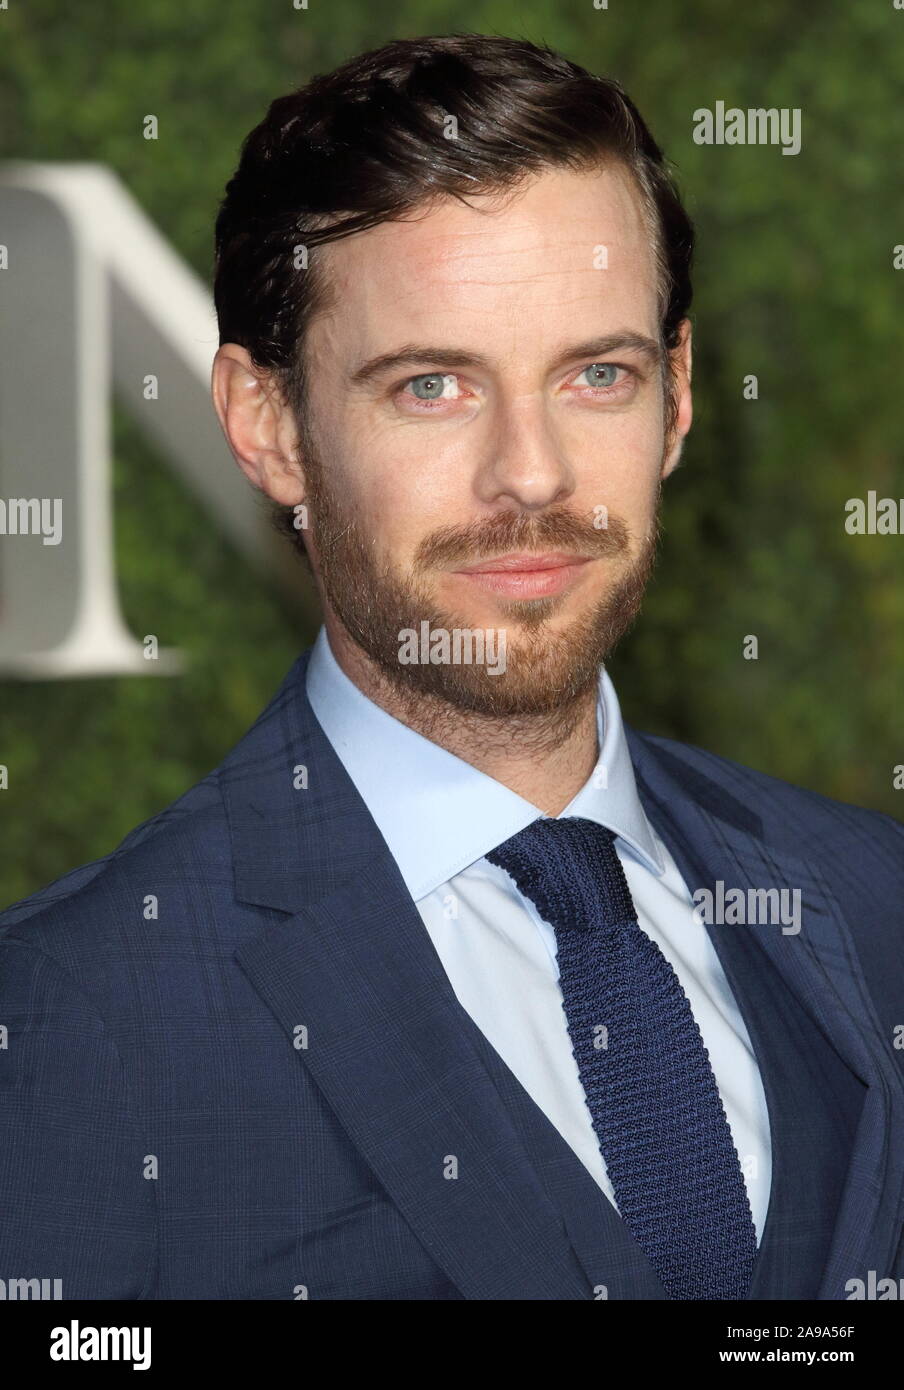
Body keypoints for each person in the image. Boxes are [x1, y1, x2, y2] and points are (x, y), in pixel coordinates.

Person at [1, 33, 902, 1301]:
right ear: (268, 428)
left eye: (597, 374)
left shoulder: (874, 900)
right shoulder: (70, 1019)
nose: (529, 474)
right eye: (432, 387)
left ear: (679, 395)